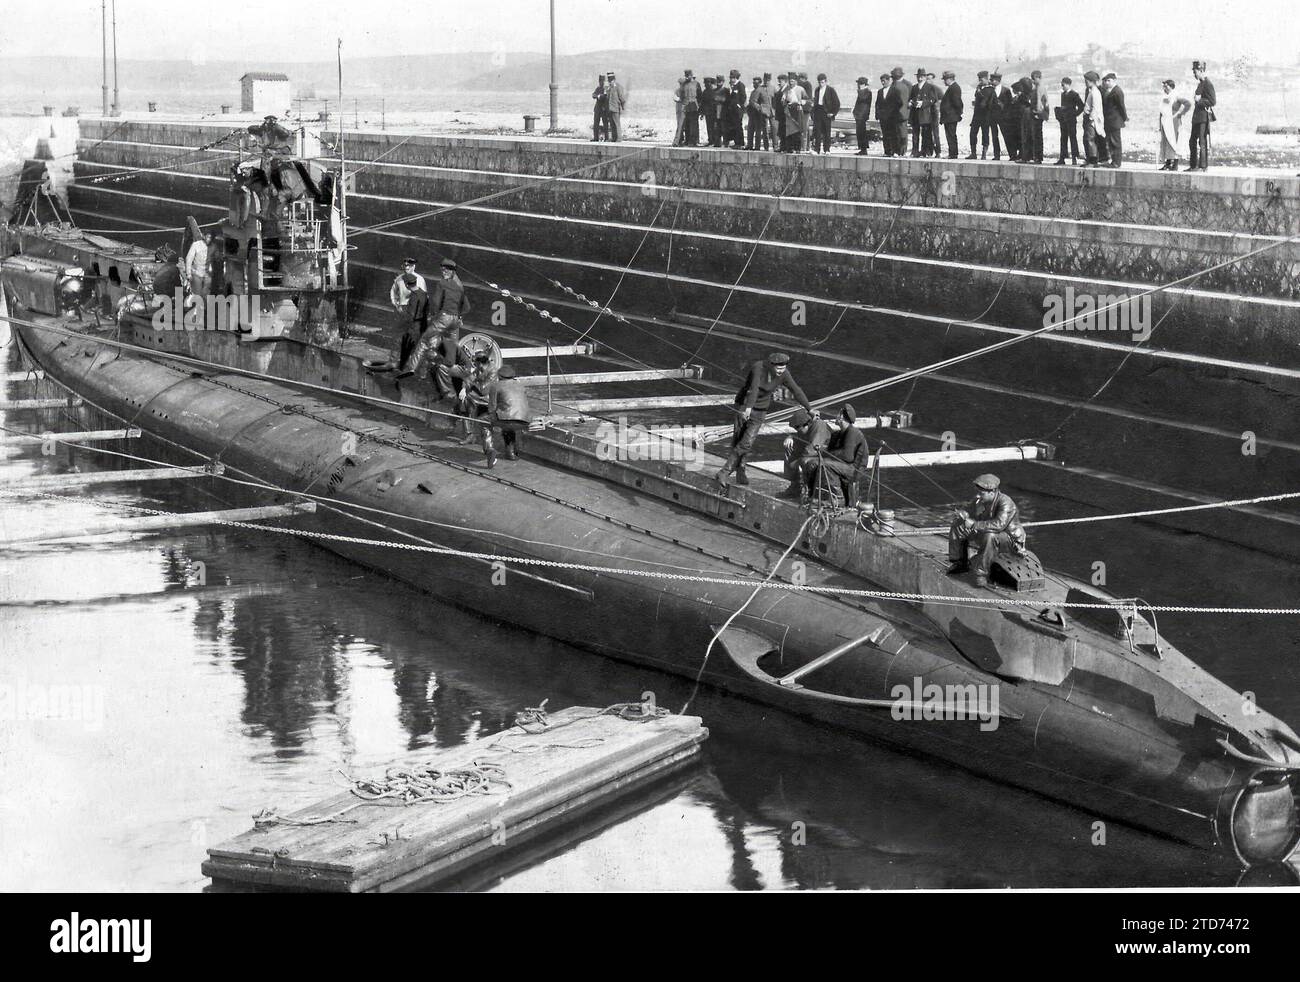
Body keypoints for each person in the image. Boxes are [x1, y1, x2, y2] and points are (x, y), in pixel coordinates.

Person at [715, 352, 815, 487]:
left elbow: (796, 390)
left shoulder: (784, 373)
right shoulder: (759, 367)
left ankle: (724, 472)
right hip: (745, 405)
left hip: (761, 410)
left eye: (783, 368)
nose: (781, 371)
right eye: (778, 368)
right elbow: (754, 388)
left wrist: (810, 409)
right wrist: (748, 409)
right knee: (739, 439)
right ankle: (740, 470)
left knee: (747, 442)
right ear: (771, 365)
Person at [948, 473, 1026, 589]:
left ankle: (981, 574)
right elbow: (969, 509)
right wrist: (964, 513)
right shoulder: (980, 500)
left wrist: (974, 524)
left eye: (981, 493)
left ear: (992, 491)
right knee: (958, 526)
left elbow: (998, 525)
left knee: (990, 535)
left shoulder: (1006, 503)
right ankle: (960, 562)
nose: (978, 495)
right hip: (985, 532)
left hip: (1009, 540)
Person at [809, 404, 868, 503]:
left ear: (841, 417)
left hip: (854, 469)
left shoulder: (853, 433)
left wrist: (827, 454)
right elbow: (830, 451)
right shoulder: (838, 434)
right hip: (843, 465)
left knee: (826, 464)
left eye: (837, 414)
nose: (835, 417)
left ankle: (838, 498)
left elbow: (847, 456)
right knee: (813, 463)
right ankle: (813, 494)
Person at [452, 351, 499, 467]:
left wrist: (472, 385)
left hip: (490, 400)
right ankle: (469, 434)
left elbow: (484, 390)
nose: (474, 365)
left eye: (475, 363)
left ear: (480, 363)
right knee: (464, 399)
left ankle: (485, 446)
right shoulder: (479, 369)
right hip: (479, 398)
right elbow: (469, 379)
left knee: (469, 401)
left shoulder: (492, 371)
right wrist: (463, 389)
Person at [781, 408, 832, 500]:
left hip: (825, 455)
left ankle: (809, 490)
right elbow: (801, 437)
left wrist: (795, 462)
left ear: (806, 425)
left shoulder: (819, 426)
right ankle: (795, 486)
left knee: (805, 460)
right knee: (789, 447)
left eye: (797, 428)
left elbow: (812, 449)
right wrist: (790, 437)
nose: (797, 430)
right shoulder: (806, 428)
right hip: (812, 453)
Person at [486, 363, 531, 460]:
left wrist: (492, 419)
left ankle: (489, 449)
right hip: (524, 420)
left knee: (483, 421)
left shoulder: (495, 386)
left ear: (499, 376)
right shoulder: (521, 385)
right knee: (509, 426)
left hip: (508, 421)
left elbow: (491, 408)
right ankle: (510, 452)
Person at [395, 273, 429, 371]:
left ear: (406, 285)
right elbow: (427, 310)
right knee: (417, 351)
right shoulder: (423, 293)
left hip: (413, 327)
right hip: (422, 325)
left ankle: (402, 370)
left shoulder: (414, 297)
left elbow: (411, 316)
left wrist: (401, 313)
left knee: (406, 350)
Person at [1157, 79, 1192, 170]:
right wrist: (1159, 124)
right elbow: (1161, 111)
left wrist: (1181, 113)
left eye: (1166, 86)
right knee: (1166, 142)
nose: (1164, 88)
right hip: (1165, 122)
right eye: (1164, 86)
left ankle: (1175, 165)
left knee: (1174, 142)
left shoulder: (1176, 96)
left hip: (1174, 122)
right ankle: (1167, 163)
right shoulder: (1164, 97)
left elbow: (1188, 103)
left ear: (1171, 86)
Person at [1189, 60, 1216, 171]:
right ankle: (1193, 166)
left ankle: (1203, 166)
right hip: (1197, 117)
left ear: (1201, 70)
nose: (1194, 74)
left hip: (1203, 118)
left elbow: (1213, 101)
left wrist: (1199, 101)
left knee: (1202, 141)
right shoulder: (1201, 83)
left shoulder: (1208, 83)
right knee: (1192, 141)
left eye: (1195, 71)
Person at [1053, 77, 1083, 165]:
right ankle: (1062, 158)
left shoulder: (1074, 94)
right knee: (1063, 138)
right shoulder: (1063, 94)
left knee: (1072, 138)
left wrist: (1074, 114)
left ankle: (1074, 158)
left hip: (1071, 120)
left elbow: (1081, 106)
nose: (1062, 86)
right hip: (1063, 120)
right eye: (1062, 85)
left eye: (1063, 85)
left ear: (1068, 84)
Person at [967, 70, 997, 159]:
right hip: (977, 115)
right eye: (979, 79)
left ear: (985, 79)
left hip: (985, 115)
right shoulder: (979, 88)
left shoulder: (991, 90)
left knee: (985, 134)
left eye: (981, 79)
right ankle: (973, 153)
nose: (980, 81)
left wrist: (979, 93)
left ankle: (984, 154)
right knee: (972, 133)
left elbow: (987, 103)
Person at [1101, 72, 1127, 168]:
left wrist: (1124, 118)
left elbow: (1121, 106)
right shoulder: (1109, 91)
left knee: (1116, 142)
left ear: (1114, 80)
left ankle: (1117, 162)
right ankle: (1113, 161)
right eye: (1106, 81)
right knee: (1111, 142)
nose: (1107, 82)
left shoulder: (1117, 91)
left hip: (1115, 121)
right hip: (1110, 121)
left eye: (1109, 80)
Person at [810, 73, 840, 153]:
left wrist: (833, 113)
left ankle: (827, 149)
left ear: (826, 82)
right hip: (818, 111)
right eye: (819, 82)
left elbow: (836, 103)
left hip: (827, 112)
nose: (821, 84)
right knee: (817, 132)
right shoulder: (817, 90)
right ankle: (817, 149)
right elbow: (815, 101)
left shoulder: (831, 90)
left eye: (822, 82)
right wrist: (812, 112)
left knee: (827, 132)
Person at [991, 72, 1018, 160]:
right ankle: (996, 155)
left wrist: (1002, 106)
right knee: (994, 137)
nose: (991, 82)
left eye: (992, 80)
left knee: (1007, 136)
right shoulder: (991, 90)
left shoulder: (1006, 90)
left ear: (997, 80)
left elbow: (1009, 105)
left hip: (1004, 118)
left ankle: (1012, 155)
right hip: (993, 117)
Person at [885, 67, 911, 158]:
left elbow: (897, 101)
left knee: (896, 133)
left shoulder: (895, 86)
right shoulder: (905, 86)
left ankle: (898, 151)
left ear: (893, 77)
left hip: (896, 114)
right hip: (904, 113)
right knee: (903, 132)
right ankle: (902, 151)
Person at [1080, 71, 1105, 167]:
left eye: (1087, 81)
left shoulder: (1095, 92)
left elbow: (1095, 108)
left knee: (1090, 139)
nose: (1085, 82)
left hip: (1091, 120)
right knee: (1087, 139)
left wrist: (1091, 119)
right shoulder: (1092, 91)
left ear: (1092, 81)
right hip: (1089, 118)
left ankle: (1093, 161)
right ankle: (1089, 159)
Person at [939, 71, 963, 159]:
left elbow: (957, 103)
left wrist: (957, 114)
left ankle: (953, 154)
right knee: (950, 135)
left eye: (945, 79)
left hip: (951, 117)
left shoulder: (954, 88)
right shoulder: (953, 87)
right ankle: (952, 153)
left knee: (951, 135)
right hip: (950, 116)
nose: (944, 82)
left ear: (949, 79)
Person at [677, 71, 702, 146]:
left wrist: (699, 106)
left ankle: (693, 141)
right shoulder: (684, 84)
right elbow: (681, 95)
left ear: (691, 75)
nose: (687, 77)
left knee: (694, 124)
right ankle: (687, 140)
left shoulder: (696, 84)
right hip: (686, 106)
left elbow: (700, 95)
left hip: (694, 106)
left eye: (688, 76)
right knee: (687, 124)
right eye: (686, 76)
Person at [185, 232, 211, 301]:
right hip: (196, 274)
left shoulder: (213, 247)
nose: (209, 239)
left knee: (206, 295)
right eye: (208, 237)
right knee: (198, 294)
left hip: (207, 275)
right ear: (204, 236)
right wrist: (188, 274)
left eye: (211, 238)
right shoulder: (196, 245)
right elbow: (189, 259)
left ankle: (204, 309)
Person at [725, 70, 747, 149]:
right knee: (734, 126)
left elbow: (743, 97)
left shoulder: (740, 85)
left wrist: (739, 105)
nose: (731, 79)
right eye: (730, 77)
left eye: (732, 77)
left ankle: (740, 143)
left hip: (737, 110)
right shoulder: (732, 86)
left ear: (736, 77)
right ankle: (736, 142)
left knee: (738, 126)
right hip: (732, 111)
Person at [746, 75, 768, 150]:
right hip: (757, 113)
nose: (754, 84)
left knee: (755, 130)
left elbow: (753, 102)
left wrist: (755, 107)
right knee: (754, 130)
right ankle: (753, 145)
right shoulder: (760, 90)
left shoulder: (758, 90)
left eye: (756, 83)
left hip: (757, 114)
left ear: (759, 83)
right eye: (754, 83)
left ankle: (755, 146)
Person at [604, 72, 626, 142]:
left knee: (617, 124)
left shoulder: (618, 86)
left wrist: (622, 106)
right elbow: (607, 97)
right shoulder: (609, 87)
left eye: (610, 79)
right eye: (608, 79)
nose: (609, 80)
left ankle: (619, 138)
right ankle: (614, 138)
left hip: (616, 108)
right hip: (610, 108)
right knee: (612, 124)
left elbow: (621, 97)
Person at [874, 74, 891, 155]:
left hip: (891, 117)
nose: (883, 82)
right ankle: (886, 151)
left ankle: (892, 151)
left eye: (884, 81)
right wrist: (877, 115)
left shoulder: (893, 90)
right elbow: (877, 104)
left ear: (888, 80)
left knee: (891, 134)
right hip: (883, 116)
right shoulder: (880, 91)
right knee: (884, 134)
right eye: (881, 81)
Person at [591, 74, 609, 141]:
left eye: (602, 81)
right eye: (600, 81)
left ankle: (606, 138)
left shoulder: (606, 88)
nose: (601, 82)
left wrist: (599, 96)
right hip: (598, 109)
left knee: (605, 124)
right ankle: (596, 138)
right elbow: (593, 95)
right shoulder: (598, 88)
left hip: (603, 109)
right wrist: (598, 96)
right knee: (596, 124)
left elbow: (606, 97)